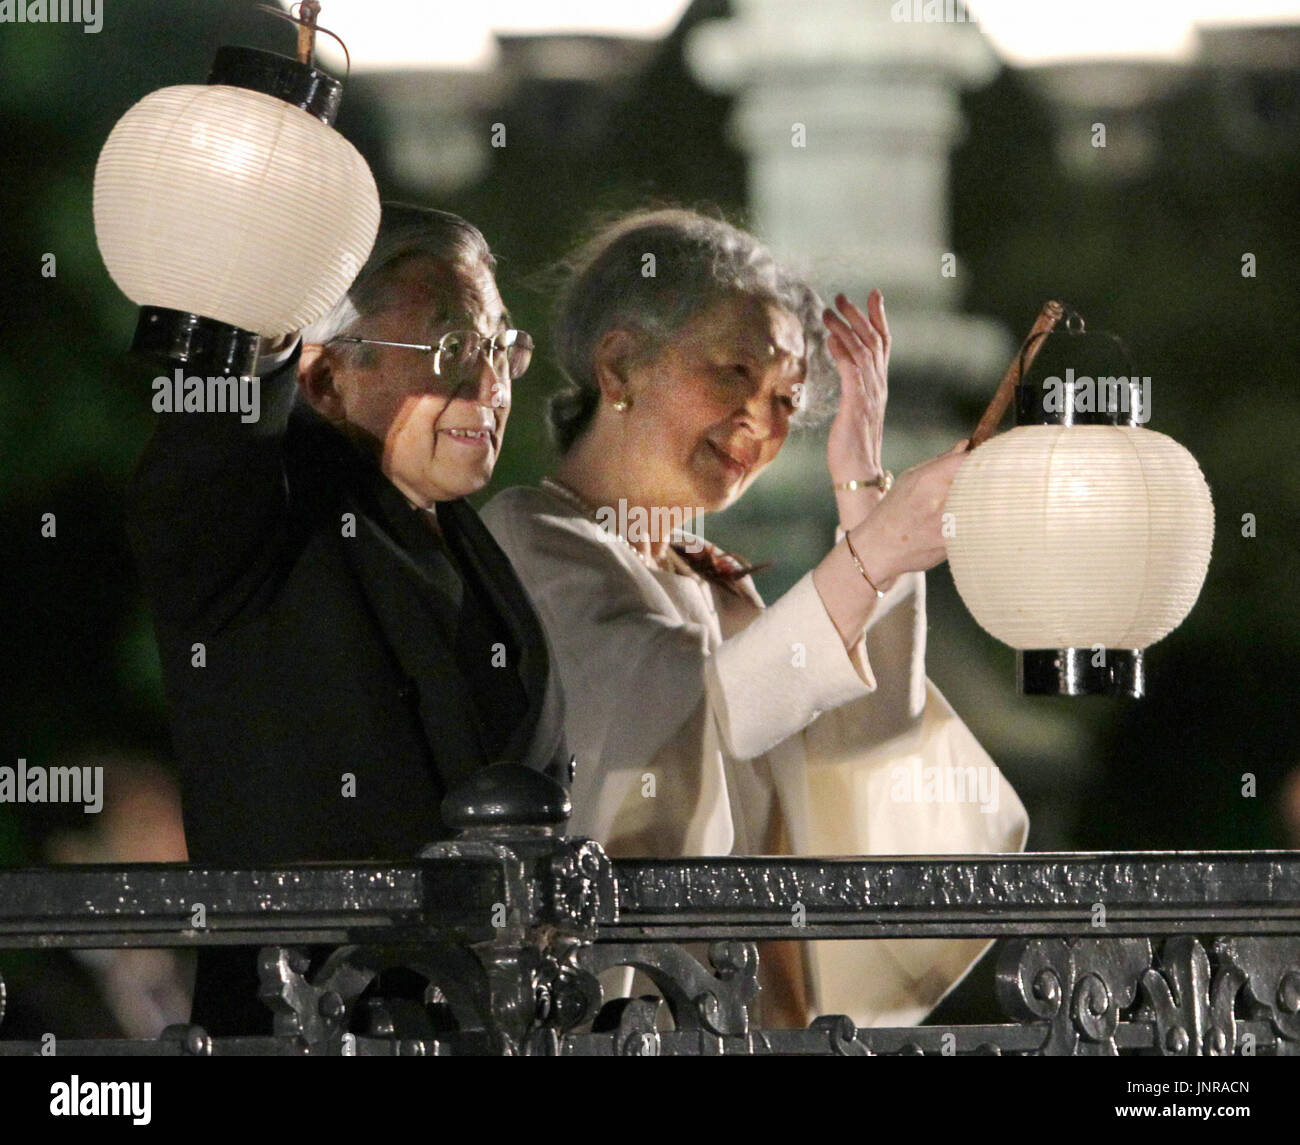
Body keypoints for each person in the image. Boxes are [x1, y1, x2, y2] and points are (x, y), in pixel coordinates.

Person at [482, 208, 1029, 1028]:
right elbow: (703, 706)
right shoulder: (532, 539)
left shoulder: (714, 579)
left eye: (785, 398)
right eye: (734, 371)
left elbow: (864, 746)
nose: (760, 420)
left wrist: (861, 486)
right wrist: (875, 552)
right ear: (622, 363)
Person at [127, 204, 571, 1036]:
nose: (493, 386)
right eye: (452, 352)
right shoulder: (271, 520)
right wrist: (255, 330)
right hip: (314, 1020)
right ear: (326, 376)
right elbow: (198, 474)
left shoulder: (467, 538)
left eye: (500, 346)